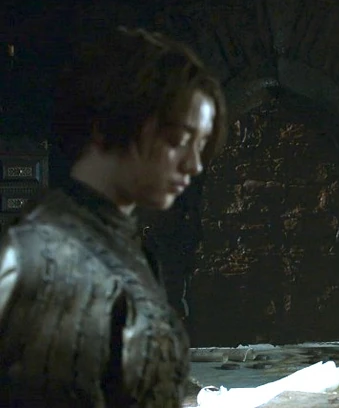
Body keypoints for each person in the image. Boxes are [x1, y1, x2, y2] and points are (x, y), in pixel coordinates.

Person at [0, 27, 227, 406]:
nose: (194, 165)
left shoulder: (121, 244)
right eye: (178, 141)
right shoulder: (50, 260)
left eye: (201, 145)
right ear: (110, 125)